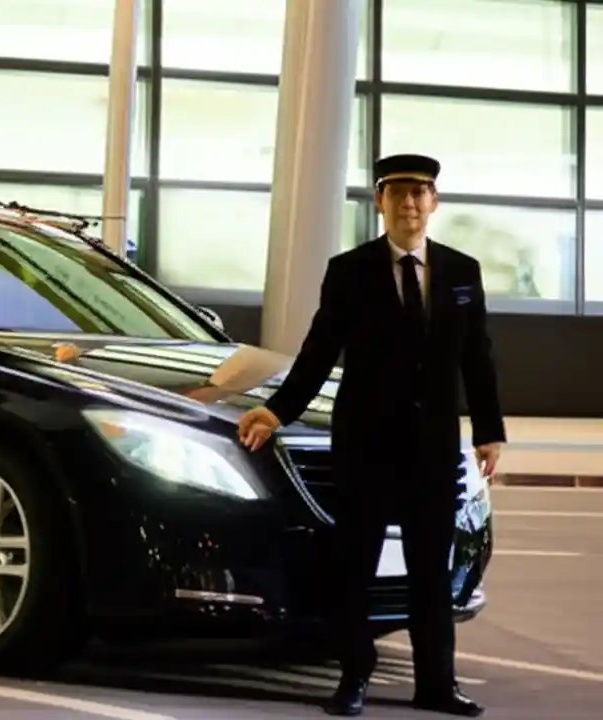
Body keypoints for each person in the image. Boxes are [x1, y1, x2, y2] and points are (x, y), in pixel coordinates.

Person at [237, 153, 505, 718]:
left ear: (434, 202)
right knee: (353, 566)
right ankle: (352, 680)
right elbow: (317, 351)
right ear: (380, 201)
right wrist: (276, 411)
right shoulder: (350, 270)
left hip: (432, 449)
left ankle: (437, 684)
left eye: (420, 192)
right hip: (365, 445)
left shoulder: (461, 271)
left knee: (430, 569)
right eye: (398, 192)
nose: (409, 203)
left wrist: (489, 431)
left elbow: (477, 357)